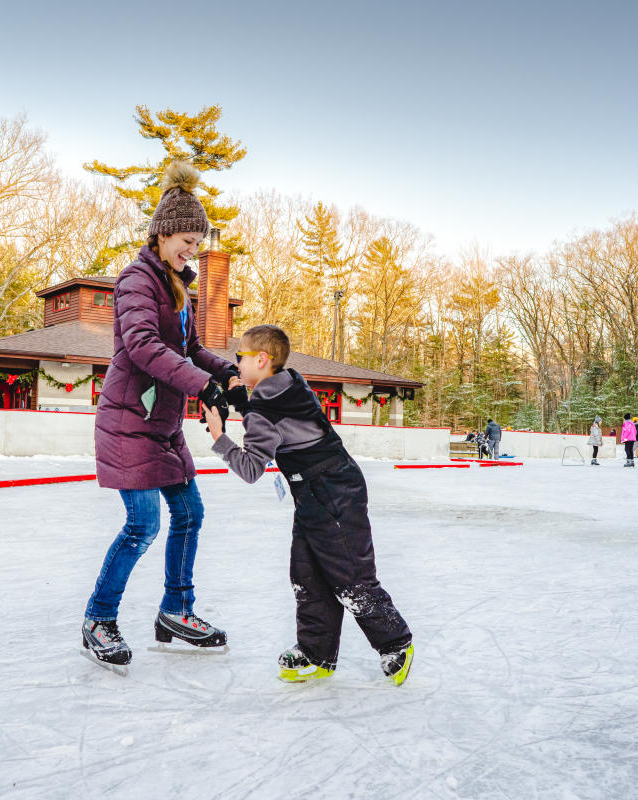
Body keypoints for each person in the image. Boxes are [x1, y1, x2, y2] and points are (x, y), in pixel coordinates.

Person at [82, 162, 244, 668]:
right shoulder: (136, 280)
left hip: (163, 426)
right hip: (130, 421)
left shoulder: (178, 286)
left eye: (198, 243)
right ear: (163, 232)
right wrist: (204, 388)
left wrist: (230, 376)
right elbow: (143, 345)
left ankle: (176, 610)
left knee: (190, 514)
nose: (192, 251)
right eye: (187, 241)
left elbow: (190, 347)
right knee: (142, 525)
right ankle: (99, 619)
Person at [203, 324, 414, 685]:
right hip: (321, 490)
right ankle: (317, 653)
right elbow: (273, 416)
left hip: (331, 491)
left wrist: (221, 436)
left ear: (262, 359)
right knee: (308, 575)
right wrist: (245, 400)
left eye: (240, 357)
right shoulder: (289, 382)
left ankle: (396, 643)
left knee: (350, 573)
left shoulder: (263, 410)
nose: (236, 364)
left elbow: (252, 468)